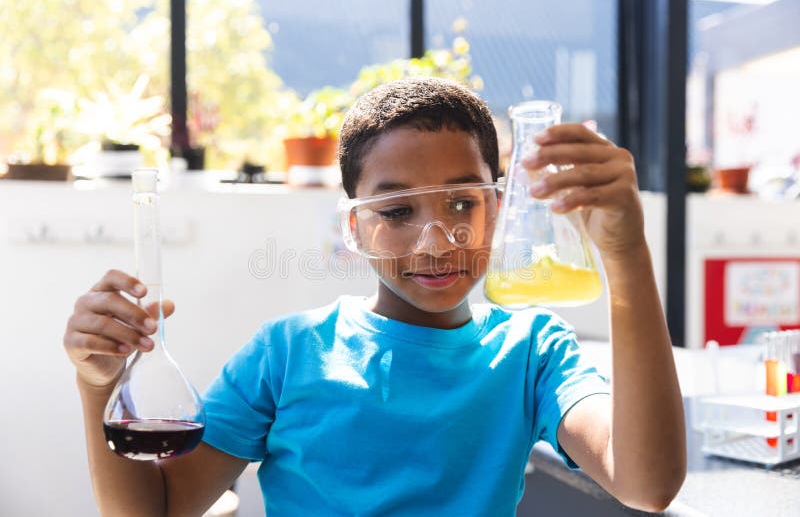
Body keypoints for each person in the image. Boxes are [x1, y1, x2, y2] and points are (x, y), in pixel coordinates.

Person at [64, 77, 686, 516]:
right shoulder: (287, 354)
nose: (434, 241)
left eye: (463, 203)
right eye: (397, 210)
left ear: (500, 210)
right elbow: (156, 510)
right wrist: (99, 385)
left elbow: (646, 483)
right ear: (353, 227)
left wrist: (626, 255)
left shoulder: (533, 352)